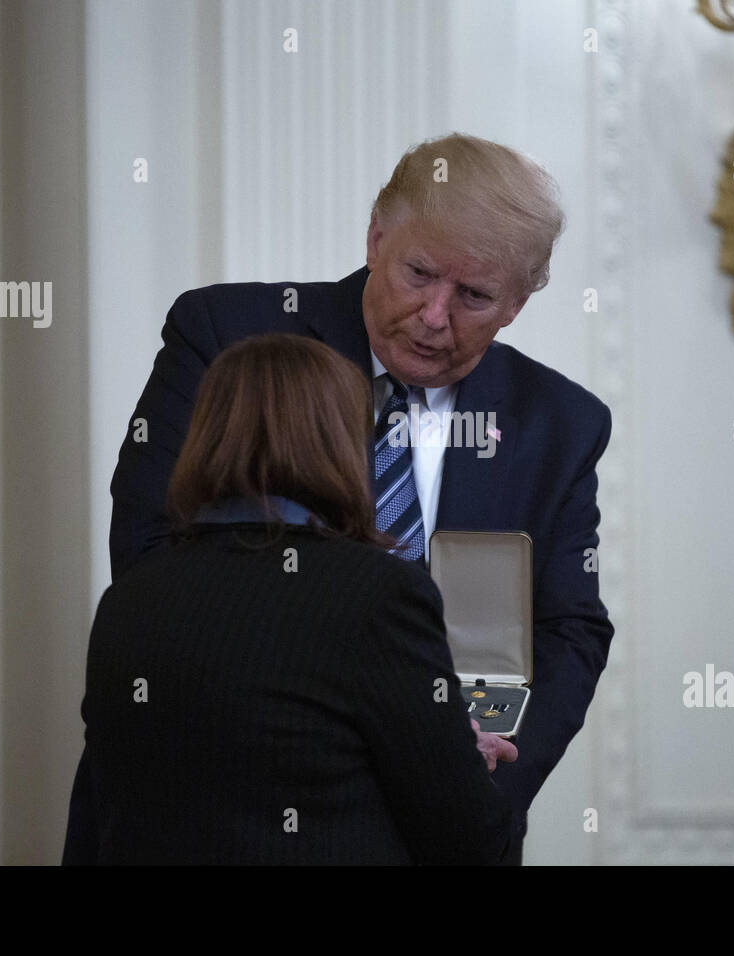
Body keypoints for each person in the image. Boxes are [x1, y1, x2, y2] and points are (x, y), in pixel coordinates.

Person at [108, 133, 613, 864]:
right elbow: (154, 560)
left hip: (439, 833)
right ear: (377, 234)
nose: (436, 315)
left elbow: (568, 631)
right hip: (222, 815)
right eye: (419, 273)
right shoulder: (232, 338)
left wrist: (478, 781)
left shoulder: (559, 423)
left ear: (520, 300)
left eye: (474, 296)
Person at [63, 334, 514, 864]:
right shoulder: (380, 595)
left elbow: (106, 818)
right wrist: (461, 758)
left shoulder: (128, 601)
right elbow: (468, 837)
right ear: (339, 442)